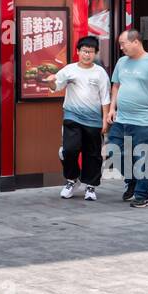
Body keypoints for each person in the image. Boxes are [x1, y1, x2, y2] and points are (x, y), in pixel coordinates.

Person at [108, 29, 148, 208]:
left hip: (144, 120)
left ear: (136, 42)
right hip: (121, 119)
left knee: (142, 156)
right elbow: (116, 85)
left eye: (123, 43)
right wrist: (112, 108)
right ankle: (132, 179)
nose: (121, 47)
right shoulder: (121, 62)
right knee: (113, 150)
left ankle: (143, 195)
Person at [46, 35, 110, 201]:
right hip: (72, 117)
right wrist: (51, 81)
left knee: (93, 154)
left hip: (94, 120)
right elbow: (55, 86)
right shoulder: (70, 69)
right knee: (69, 150)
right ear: (77, 52)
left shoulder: (100, 72)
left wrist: (105, 120)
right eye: (83, 51)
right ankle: (72, 180)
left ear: (95, 53)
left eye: (90, 52)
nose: (86, 55)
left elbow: (105, 97)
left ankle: (91, 186)